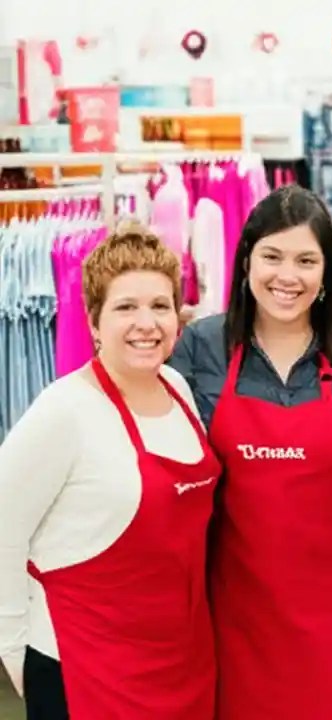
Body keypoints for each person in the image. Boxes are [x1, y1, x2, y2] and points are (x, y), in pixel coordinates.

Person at [168, 186, 332, 718]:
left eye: (305, 260)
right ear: (246, 258)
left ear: (327, 273)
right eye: (272, 256)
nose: (286, 276)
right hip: (239, 619)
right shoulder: (199, 347)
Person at [0, 223, 221, 718]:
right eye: (126, 307)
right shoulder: (65, 410)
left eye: (160, 306)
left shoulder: (179, 391)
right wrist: (16, 652)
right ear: (95, 321)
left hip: (180, 662)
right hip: (84, 668)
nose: (147, 323)